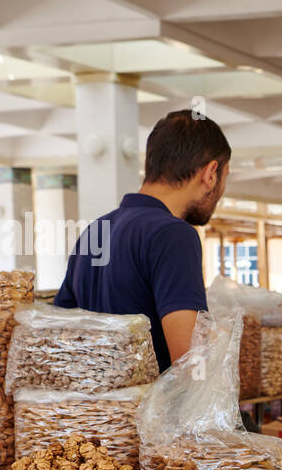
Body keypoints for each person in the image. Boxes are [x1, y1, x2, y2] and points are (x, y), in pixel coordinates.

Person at [56, 109, 229, 370]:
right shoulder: (175, 235)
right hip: (150, 409)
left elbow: (57, 333)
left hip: (93, 409)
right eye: (225, 179)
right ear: (211, 173)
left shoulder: (95, 230)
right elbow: (190, 361)